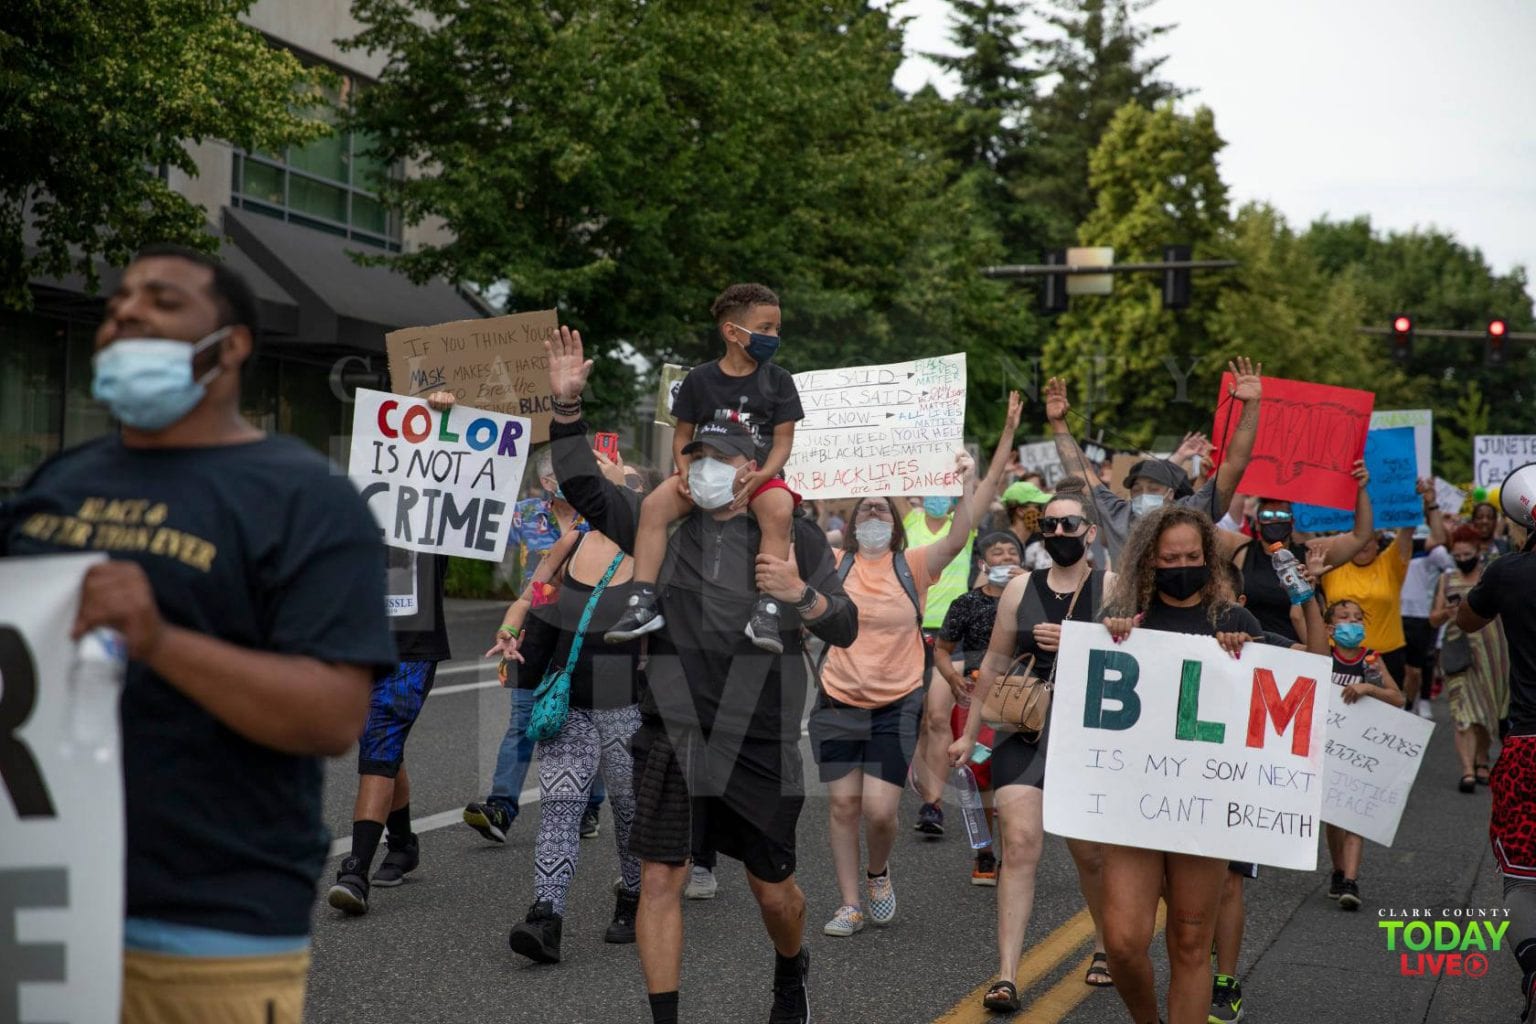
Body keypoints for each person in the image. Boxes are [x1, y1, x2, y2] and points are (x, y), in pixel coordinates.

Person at [0, 245, 396, 1023]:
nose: (126, 313)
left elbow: (331, 716)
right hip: (36, 904)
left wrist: (160, 640)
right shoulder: (59, 484)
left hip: (205, 928)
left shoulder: (306, 499)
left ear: (231, 344)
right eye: (118, 303)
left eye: (162, 300)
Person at [544, 326, 858, 1024]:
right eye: (698, 456)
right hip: (670, 730)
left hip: (759, 735)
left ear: (752, 467)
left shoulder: (795, 533)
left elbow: (845, 626)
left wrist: (801, 595)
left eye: (722, 457)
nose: (707, 467)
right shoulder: (660, 520)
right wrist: (566, 408)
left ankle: (790, 969)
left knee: (774, 892)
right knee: (661, 879)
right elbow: (582, 485)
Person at [810, 395, 1019, 937]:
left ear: (896, 521)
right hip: (837, 699)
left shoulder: (916, 564)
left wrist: (971, 478)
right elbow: (784, 536)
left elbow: (963, 529)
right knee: (842, 807)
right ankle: (849, 903)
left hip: (895, 701)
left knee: (880, 812)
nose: (873, 514)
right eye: (865, 509)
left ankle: (878, 873)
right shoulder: (832, 564)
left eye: (882, 509)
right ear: (851, 522)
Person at [949, 479, 1116, 1011]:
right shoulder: (1021, 588)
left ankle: (1104, 945)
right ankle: (1006, 975)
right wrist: (970, 732)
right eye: (1050, 524)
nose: (1059, 531)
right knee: (1019, 845)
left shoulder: (1112, 586)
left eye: (1070, 523)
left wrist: (1078, 640)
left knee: (1090, 855)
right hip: (1023, 727)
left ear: (1090, 532)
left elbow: (1133, 656)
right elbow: (995, 662)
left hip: (1088, 734)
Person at [1096, 505, 1264, 1024]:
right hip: (1134, 806)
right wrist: (1109, 637)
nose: (1183, 565)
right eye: (1170, 558)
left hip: (1203, 807)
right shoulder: (1125, 620)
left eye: (1193, 556)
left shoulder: (1234, 621)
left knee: (1192, 944)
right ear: (1149, 560)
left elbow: (1277, 691)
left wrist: (1247, 653)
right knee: (1123, 942)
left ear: (1208, 557)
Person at [606, 283, 803, 655]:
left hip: (755, 476)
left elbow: (783, 442)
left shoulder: (780, 380)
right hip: (704, 470)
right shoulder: (699, 379)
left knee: (779, 509)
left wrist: (764, 475)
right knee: (653, 507)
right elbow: (683, 434)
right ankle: (642, 600)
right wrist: (683, 472)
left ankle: (766, 608)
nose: (774, 337)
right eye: (765, 328)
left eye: (777, 329)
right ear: (731, 331)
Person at [486, 506, 645, 963]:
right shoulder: (572, 543)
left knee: (629, 812)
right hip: (567, 701)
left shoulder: (651, 554)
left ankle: (633, 898)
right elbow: (530, 598)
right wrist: (510, 629)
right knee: (560, 807)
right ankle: (546, 916)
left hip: (627, 704)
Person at [329, 446, 454, 913]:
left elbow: (460, 475)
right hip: (362, 645)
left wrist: (441, 425)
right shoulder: (355, 510)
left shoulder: (438, 515)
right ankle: (402, 843)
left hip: (411, 649)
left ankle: (355, 871)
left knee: (379, 745)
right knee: (381, 745)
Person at [462, 448, 608, 844]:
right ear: (547, 481)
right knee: (522, 721)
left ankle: (590, 805)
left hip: (586, 631)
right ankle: (501, 807)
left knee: (587, 722)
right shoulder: (524, 515)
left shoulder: (601, 515)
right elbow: (471, 526)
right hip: (534, 628)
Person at [1455, 465, 1536, 1024]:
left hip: (1528, 742)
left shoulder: (1508, 572)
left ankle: (1534, 969)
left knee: (1524, 877)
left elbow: (1467, 620)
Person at [1041, 360, 1265, 561]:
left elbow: (1234, 464)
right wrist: (1058, 424)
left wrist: (1251, 407)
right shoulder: (1117, 514)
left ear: (1170, 493)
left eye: (1154, 488)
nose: (1144, 494)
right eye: (1137, 488)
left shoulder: (1193, 513)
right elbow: (1081, 473)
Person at [937, 529, 1026, 884]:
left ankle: (1014, 855)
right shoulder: (966, 603)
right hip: (976, 695)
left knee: (1016, 775)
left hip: (1022, 696)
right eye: (998, 553)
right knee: (978, 774)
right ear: (982, 564)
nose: (1006, 558)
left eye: (1012, 552)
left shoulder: (1035, 597)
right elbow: (941, 649)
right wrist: (952, 678)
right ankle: (985, 852)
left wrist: (1030, 591)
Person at [1214, 461, 1376, 644]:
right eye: (1267, 516)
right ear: (1257, 523)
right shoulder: (1241, 549)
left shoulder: (1311, 552)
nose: (1275, 520)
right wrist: (1208, 477)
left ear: (1292, 522)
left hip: (1297, 651)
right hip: (1248, 646)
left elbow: (1360, 536)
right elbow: (1200, 527)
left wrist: (1361, 489)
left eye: (1282, 516)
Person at [1319, 598, 1405, 911]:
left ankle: (1350, 881)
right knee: (1333, 817)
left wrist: (1369, 689)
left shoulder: (1370, 659)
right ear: (1330, 629)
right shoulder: (1324, 658)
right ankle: (1338, 870)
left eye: (1358, 619)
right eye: (1345, 618)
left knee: (1355, 814)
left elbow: (1397, 698)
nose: (1353, 624)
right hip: (1330, 747)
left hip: (1361, 749)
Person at [1320, 479, 1441, 688]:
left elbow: (1412, 529)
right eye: (1358, 538)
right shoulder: (1333, 565)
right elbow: (1304, 539)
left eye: (1369, 538)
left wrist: (1422, 500)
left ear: (1378, 542)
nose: (1363, 544)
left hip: (1387, 657)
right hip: (1338, 657)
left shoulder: (1391, 563)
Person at [1431, 526, 1511, 792]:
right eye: (1457, 555)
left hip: (1492, 653)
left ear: (1478, 552)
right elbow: (1433, 619)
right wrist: (1447, 612)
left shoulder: (1491, 577)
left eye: (1467, 554)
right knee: (1462, 711)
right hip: (1458, 653)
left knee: (1487, 710)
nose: (1462, 559)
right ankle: (1467, 770)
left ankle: (1482, 759)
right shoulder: (1446, 580)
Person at [1400, 527, 1456, 719]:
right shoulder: (1399, 544)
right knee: (1403, 666)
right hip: (1397, 613)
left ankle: (1423, 699)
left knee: (1423, 663)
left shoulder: (1434, 549)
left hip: (1422, 614)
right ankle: (1407, 704)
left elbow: (1450, 568)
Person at [1000, 480, 1055, 571]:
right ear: (1020, 511)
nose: (1043, 513)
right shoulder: (1006, 544)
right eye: (1038, 507)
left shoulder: (1018, 542)